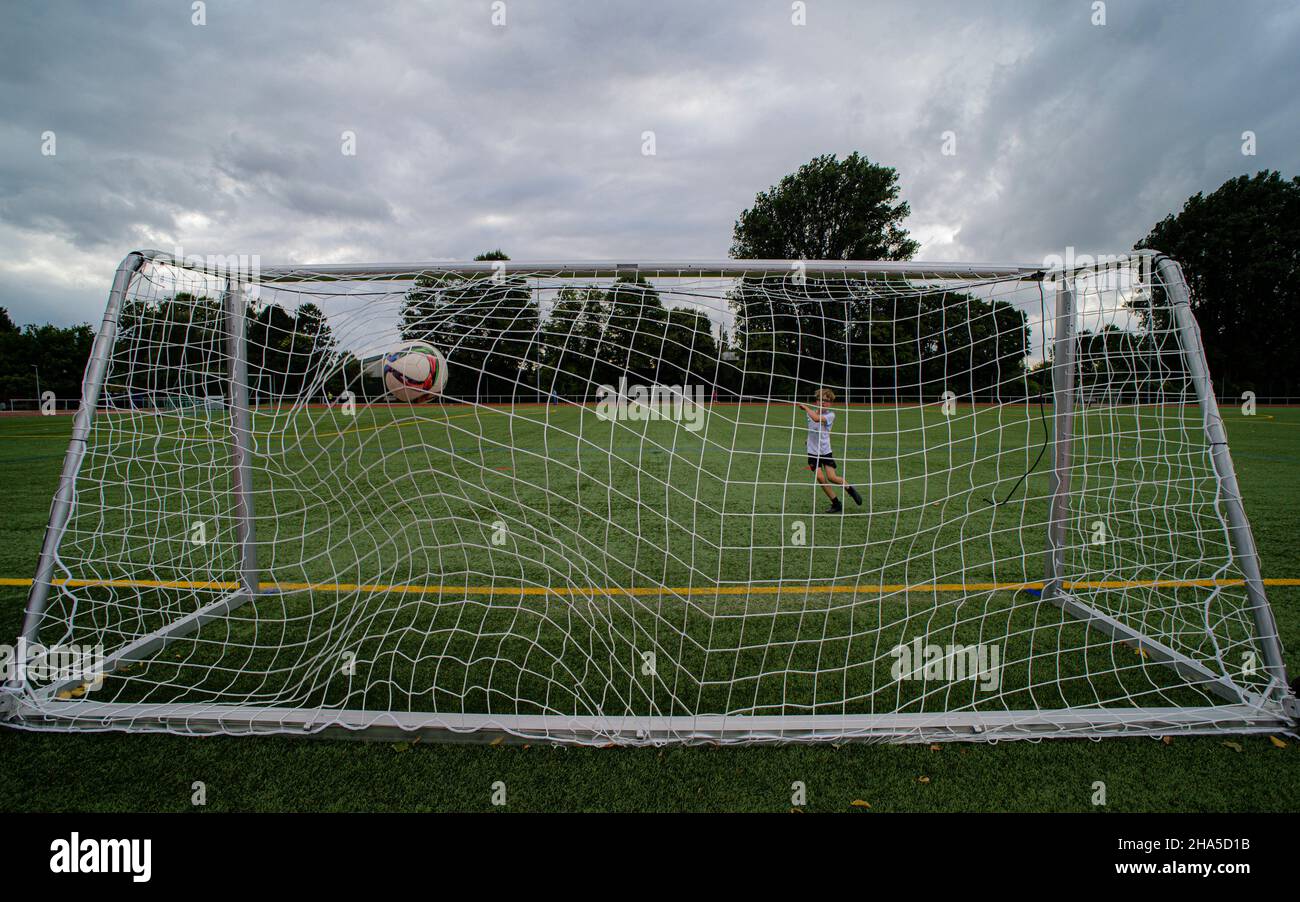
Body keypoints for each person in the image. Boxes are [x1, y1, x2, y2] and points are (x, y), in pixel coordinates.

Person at [795, 388, 862, 513]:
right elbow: (813, 428)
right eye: (821, 400)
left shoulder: (830, 415)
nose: (823, 402)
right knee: (820, 478)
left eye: (827, 400)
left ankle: (850, 489)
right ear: (817, 401)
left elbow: (816, 419)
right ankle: (836, 503)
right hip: (812, 451)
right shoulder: (811, 413)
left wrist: (806, 408)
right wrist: (807, 439)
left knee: (832, 477)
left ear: (830, 403)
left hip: (825, 451)